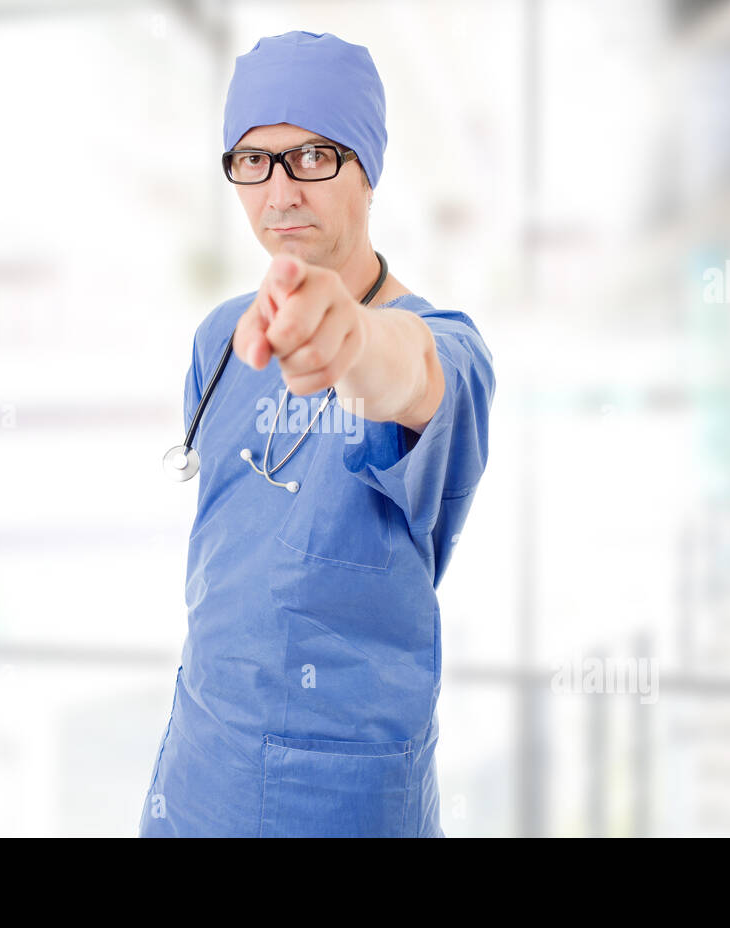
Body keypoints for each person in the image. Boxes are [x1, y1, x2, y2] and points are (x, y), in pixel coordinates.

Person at [138, 29, 495, 837]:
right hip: (197, 777)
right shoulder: (223, 341)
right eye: (252, 161)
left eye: (312, 157)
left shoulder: (447, 347)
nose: (280, 191)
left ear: (366, 170)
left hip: (345, 801)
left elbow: (413, 374)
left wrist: (357, 339)